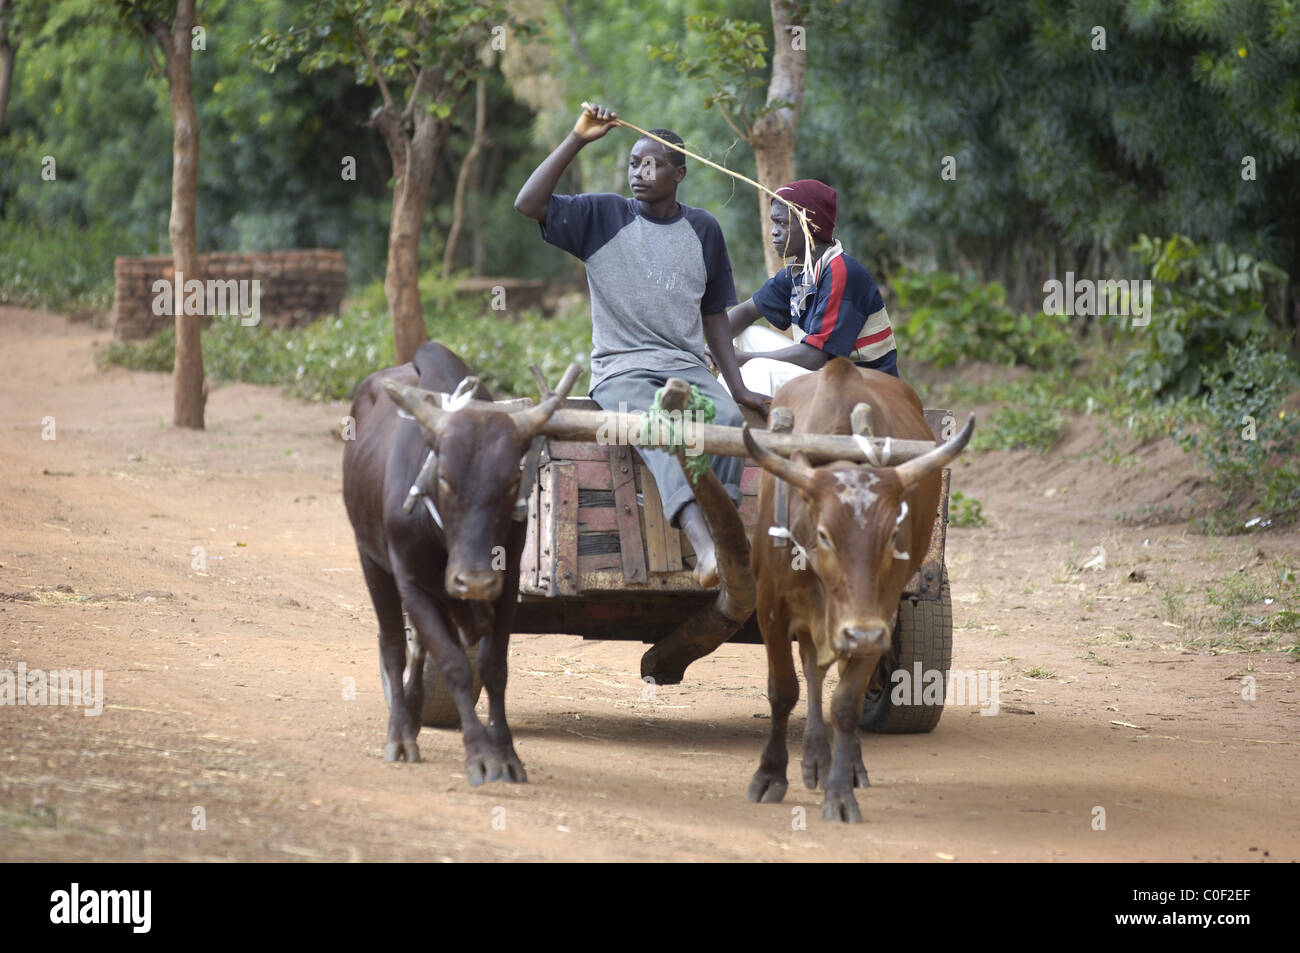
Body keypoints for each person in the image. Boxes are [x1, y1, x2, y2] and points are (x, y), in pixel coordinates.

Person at [514, 104, 766, 587]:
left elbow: (715, 315)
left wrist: (737, 388)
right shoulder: (603, 215)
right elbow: (528, 204)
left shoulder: (704, 229)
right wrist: (578, 137)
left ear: (680, 174)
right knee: (658, 429)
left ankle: (722, 528)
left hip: (686, 367)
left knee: (729, 422)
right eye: (634, 163)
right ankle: (706, 547)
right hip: (621, 370)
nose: (640, 172)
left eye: (653, 164)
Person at [724, 179, 899, 397]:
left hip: (863, 386)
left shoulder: (842, 272)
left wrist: (744, 359)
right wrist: (713, 347)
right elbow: (748, 311)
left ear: (809, 225)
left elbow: (814, 357)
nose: (774, 232)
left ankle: (735, 422)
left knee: (757, 369)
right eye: (774, 223)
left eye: (783, 223)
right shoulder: (800, 271)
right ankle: (727, 414)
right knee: (743, 336)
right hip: (827, 374)